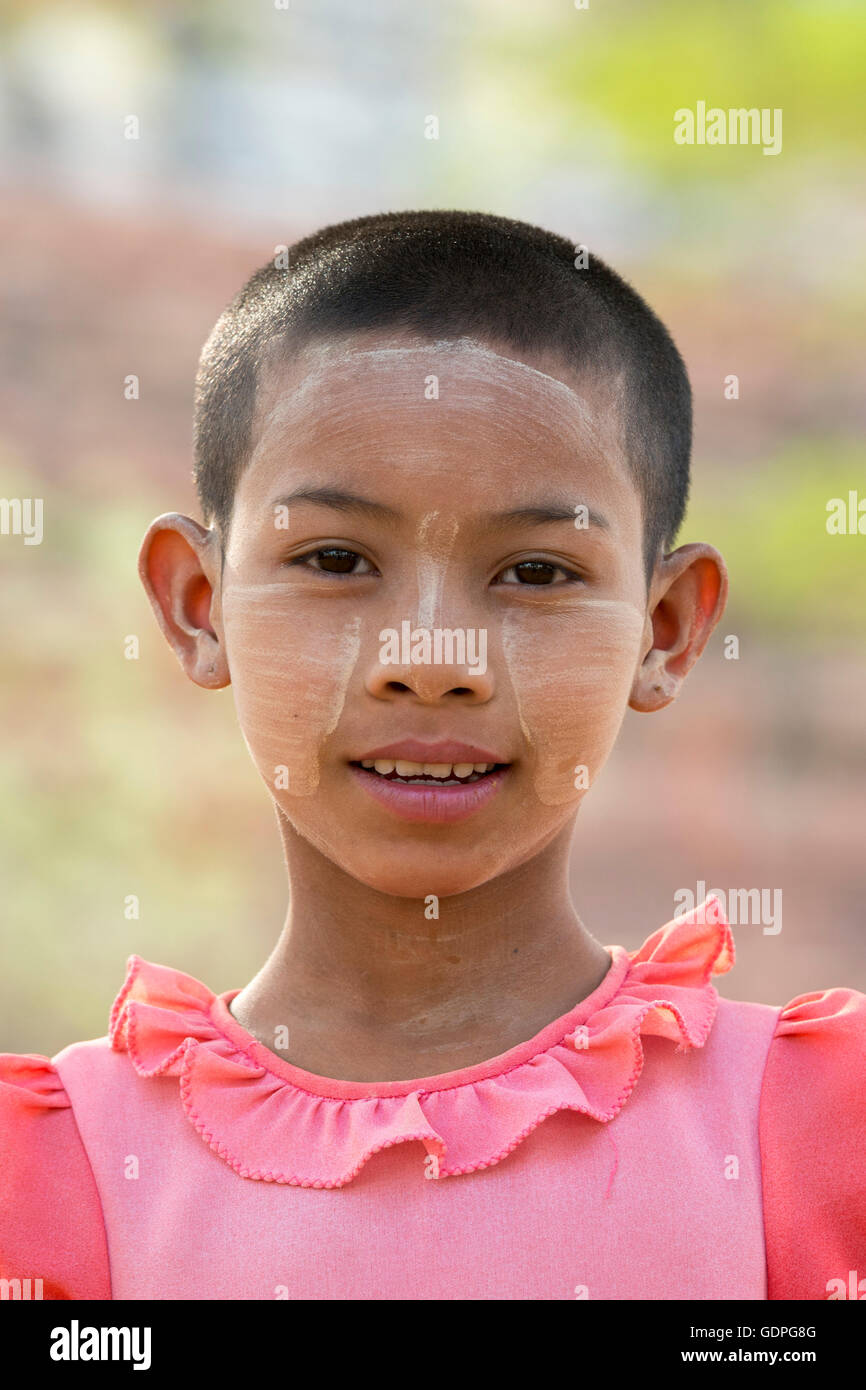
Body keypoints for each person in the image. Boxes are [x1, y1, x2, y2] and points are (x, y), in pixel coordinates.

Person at [2, 210, 863, 1300]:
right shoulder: (53, 1176)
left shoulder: (816, 1131)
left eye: (537, 572)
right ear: (198, 605)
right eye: (333, 557)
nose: (430, 657)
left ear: (665, 628)